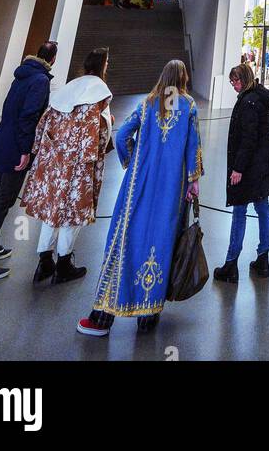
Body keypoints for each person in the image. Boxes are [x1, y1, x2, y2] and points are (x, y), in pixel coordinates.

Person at [77, 58, 201, 336]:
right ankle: (149, 313)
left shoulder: (148, 104)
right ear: (183, 78)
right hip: (171, 190)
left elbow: (121, 137)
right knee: (162, 241)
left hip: (139, 187)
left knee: (125, 239)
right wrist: (193, 182)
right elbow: (193, 148)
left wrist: (133, 163)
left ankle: (104, 315)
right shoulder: (189, 106)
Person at [0, 42, 57, 284]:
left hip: (4, 142)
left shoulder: (23, 75)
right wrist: (26, 150)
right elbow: (29, 116)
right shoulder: (41, 81)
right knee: (3, 201)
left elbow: (10, 109)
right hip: (17, 148)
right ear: (52, 59)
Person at [22, 48, 113, 287]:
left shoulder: (68, 89)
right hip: (80, 165)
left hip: (54, 162)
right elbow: (99, 134)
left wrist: (40, 154)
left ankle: (44, 261)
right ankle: (63, 263)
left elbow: (44, 124)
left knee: (52, 211)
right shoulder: (98, 95)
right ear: (103, 65)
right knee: (72, 214)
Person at [214, 62, 269, 284]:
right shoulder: (257, 98)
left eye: (235, 80)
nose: (233, 84)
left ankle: (231, 263)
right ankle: (263, 258)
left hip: (249, 169)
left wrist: (238, 168)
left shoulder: (249, 103)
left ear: (244, 78)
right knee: (262, 208)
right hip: (261, 168)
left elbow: (248, 139)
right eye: (231, 81)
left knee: (239, 212)